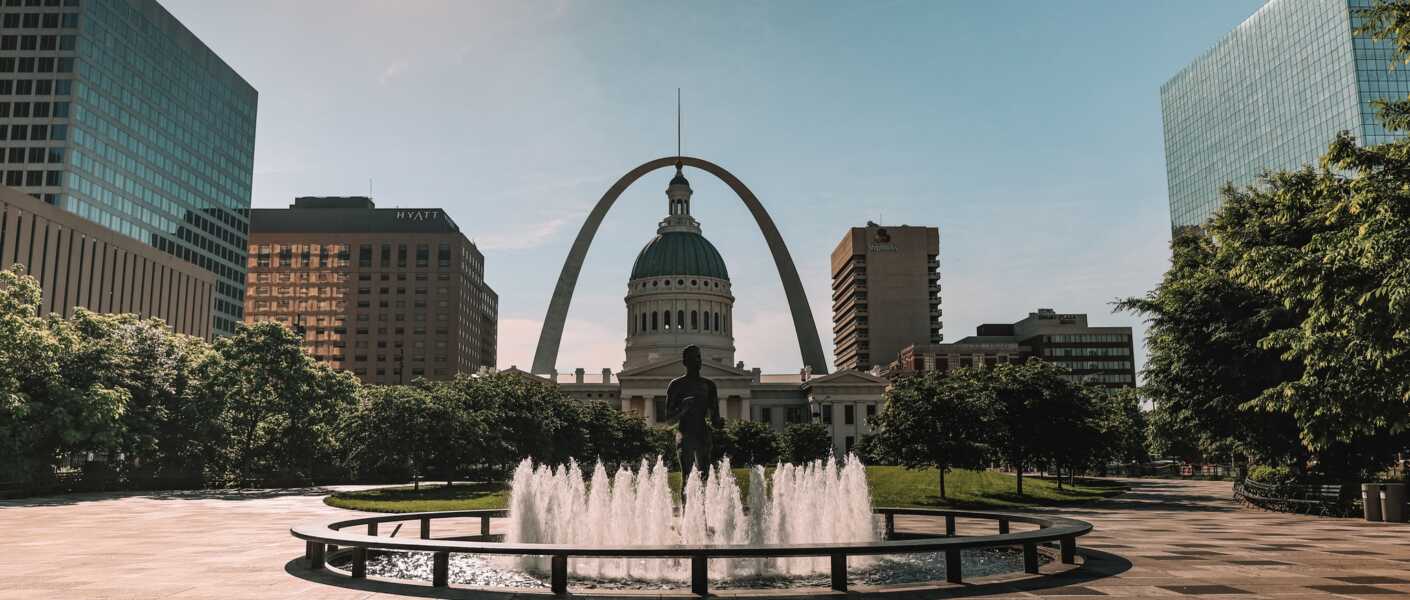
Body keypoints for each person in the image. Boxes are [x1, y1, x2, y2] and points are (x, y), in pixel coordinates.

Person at [665, 345, 722, 483]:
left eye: (699, 357)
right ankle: (687, 505)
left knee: (704, 477)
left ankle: (704, 505)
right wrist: (683, 408)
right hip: (684, 433)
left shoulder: (709, 386)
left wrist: (719, 423)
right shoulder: (676, 385)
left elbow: (715, 419)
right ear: (685, 362)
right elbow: (669, 420)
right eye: (693, 358)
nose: (698, 361)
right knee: (687, 477)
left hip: (702, 434)